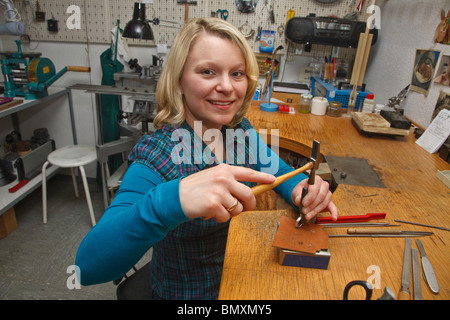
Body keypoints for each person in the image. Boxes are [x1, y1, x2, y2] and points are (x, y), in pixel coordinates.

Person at [75, 17, 337, 300]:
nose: (226, 86)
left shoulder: (239, 131)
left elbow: (277, 170)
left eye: (236, 74)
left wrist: (300, 189)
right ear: (178, 81)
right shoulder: (158, 154)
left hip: (239, 280)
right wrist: (172, 200)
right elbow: (86, 268)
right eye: (208, 72)